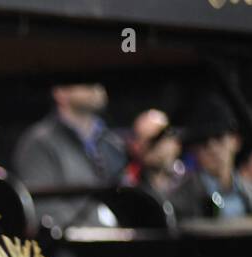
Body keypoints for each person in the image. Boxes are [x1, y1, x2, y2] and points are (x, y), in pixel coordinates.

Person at [13, 83, 127, 232]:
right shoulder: (39, 143)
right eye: (84, 79)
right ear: (60, 92)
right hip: (74, 250)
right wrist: (101, 235)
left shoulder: (112, 143)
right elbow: (44, 211)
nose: (96, 86)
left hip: (117, 245)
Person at [168, 96, 252, 220]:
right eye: (204, 143)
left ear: (236, 141)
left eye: (219, 138)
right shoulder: (179, 201)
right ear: (194, 151)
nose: (213, 149)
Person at [121, 109, 183, 200]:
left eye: (160, 138)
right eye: (141, 140)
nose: (158, 147)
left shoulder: (192, 182)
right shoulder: (128, 185)